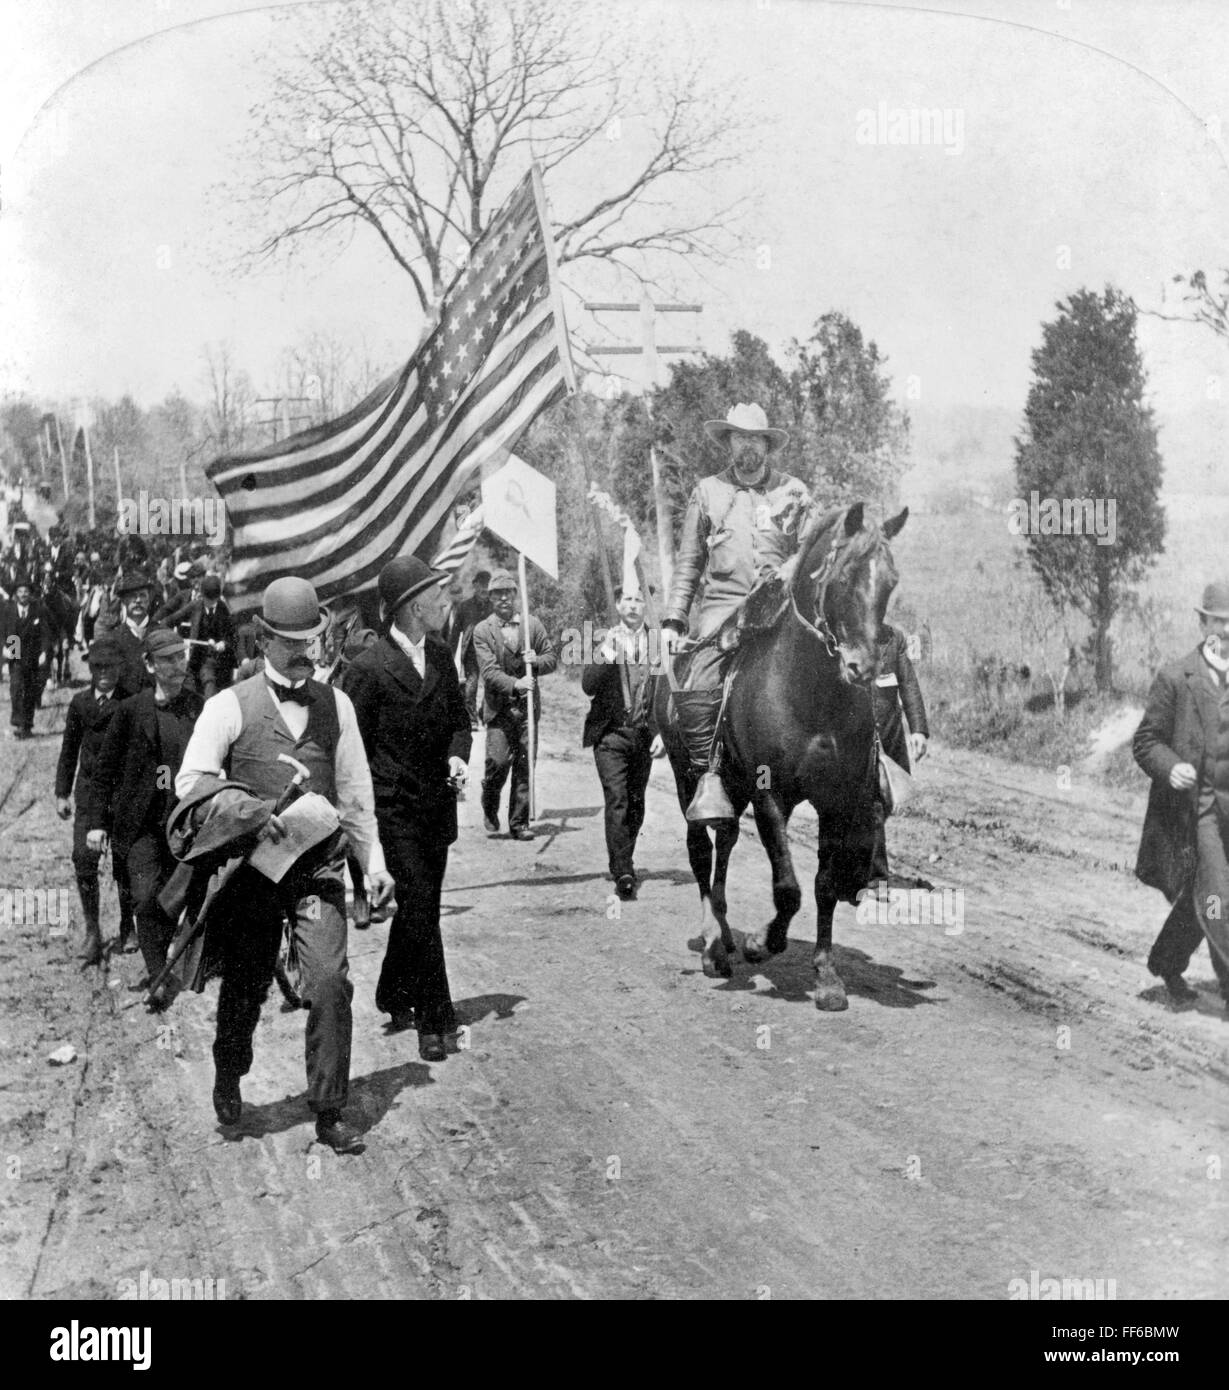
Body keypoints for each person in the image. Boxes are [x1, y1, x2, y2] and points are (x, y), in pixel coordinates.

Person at [175, 576, 394, 1153]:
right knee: (245, 983)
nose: (306, 653)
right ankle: (229, 1067)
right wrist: (245, 809)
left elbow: (355, 796)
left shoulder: (337, 705)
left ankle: (329, 1108)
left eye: (313, 641)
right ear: (264, 639)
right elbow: (191, 782)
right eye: (293, 642)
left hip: (316, 872)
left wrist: (373, 865)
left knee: (328, 983)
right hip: (251, 873)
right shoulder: (228, 705)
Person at [660, 403, 817, 823]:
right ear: (728, 442)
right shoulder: (707, 491)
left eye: (755, 439)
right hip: (722, 610)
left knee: (839, 664)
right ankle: (709, 772)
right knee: (697, 678)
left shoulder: (794, 492)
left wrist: (792, 565)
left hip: (781, 609)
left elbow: (814, 546)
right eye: (739, 438)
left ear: (768, 445)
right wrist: (674, 619)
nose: (747, 446)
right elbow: (690, 561)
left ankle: (865, 763)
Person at [343, 556, 472, 1060]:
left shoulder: (441, 656)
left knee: (422, 907)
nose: (446, 601)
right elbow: (352, 750)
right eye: (438, 595)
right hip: (393, 811)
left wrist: (459, 757)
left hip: (436, 806)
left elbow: (461, 721)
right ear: (415, 606)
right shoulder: (367, 669)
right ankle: (435, 1018)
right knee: (420, 905)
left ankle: (394, 991)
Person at [1133, 581, 1229, 1015]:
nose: (1226, 633)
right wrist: (1171, 766)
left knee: (1201, 893)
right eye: (1220, 623)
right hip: (1199, 811)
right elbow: (1146, 741)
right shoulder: (1175, 677)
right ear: (1203, 622)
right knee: (1218, 896)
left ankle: (1167, 962)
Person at [87, 629, 204, 987]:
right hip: (140, 824)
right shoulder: (131, 710)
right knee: (145, 897)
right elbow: (104, 770)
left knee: (174, 896)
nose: (178, 665)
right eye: (168, 659)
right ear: (150, 665)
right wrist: (96, 823)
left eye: (181, 657)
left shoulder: (197, 707)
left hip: (184, 823)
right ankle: (158, 977)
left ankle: (165, 957)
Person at [55, 632, 137, 964]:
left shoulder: (132, 702)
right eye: (98, 666)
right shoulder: (80, 704)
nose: (104, 672)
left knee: (126, 863)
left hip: (122, 794)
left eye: (110, 666)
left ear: (120, 668)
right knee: (83, 859)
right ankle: (92, 931)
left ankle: (128, 925)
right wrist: (61, 792)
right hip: (89, 794)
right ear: (91, 668)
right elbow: (68, 750)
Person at [582, 586, 657, 900]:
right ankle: (623, 870)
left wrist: (663, 733)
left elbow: (668, 691)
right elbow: (588, 685)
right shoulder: (605, 639)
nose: (633, 605)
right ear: (617, 604)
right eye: (627, 599)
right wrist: (610, 650)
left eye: (639, 599)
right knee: (618, 799)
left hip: (643, 736)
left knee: (636, 802)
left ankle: (626, 855)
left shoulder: (659, 643)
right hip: (611, 735)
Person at [472, 569, 557, 841]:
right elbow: (489, 671)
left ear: (515, 595)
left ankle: (519, 823)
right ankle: (489, 800)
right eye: (498, 594)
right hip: (499, 710)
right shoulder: (482, 630)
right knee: (497, 763)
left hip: (528, 709)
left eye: (508, 592)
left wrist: (537, 661)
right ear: (491, 598)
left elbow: (551, 658)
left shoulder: (532, 626)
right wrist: (515, 684)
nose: (504, 598)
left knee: (524, 764)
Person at [868, 622, 930, 885]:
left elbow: (908, 684)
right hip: (860, 735)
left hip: (891, 733)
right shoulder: (847, 635)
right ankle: (876, 876)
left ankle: (862, 858)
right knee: (872, 804)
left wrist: (918, 730)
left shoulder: (895, 638)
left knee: (889, 799)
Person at [0, 576, 52, 738]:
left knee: (30, 690)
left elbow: (46, 633)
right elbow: (1, 632)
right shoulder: (8, 610)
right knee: (16, 689)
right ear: (15, 594)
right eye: (20, 592)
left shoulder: (38, 610)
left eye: (26, 592)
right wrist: (3, 648)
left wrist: (44, 652)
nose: (23, 595)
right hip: (14, 648)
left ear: (30, 594)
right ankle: (18, 722)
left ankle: (27, 725)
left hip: (33, 654)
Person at [97, 569, 156, 693]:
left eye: (142, 595)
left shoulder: (162, 633)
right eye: (132, 596)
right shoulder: (112, 639)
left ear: (149, 600)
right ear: (123, 601)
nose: (138, 600)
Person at [185, 574, 236, 698]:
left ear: (218, 597)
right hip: (200, 659)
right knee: (207, 682)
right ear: (202, 596)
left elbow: (233, 636)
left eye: (213, 601)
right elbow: (172, 618)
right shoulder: (196, 605)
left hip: (222, 662)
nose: (210, 604)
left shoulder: (225, 609)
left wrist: (223, 644)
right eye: (208, 600)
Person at [454, 570, 491, 728]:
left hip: (490, 652)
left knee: (491, 684)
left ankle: (484, 713)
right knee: (471, 686)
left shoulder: (495, 607)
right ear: (475, 586)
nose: (484, 588)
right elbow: (455, 632)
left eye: (487, 584)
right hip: (470, 652)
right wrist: (448, 652)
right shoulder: (464, 606)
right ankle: (471, 719)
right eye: (481, 584)